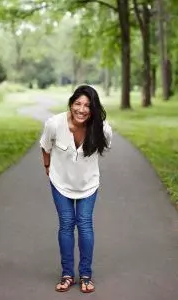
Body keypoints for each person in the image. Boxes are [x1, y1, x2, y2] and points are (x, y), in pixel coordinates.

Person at [39, 84, 112, 293]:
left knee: (85, 224)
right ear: (71, 104)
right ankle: (67, 274)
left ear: (94, 108)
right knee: (66, 224)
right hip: (60, 182)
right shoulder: (54, 124)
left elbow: (105, 146)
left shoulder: (102, 128)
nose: (82, 109)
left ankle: (86, 275)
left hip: (88, 184)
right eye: (78, 104)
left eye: (87, 105)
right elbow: (45, 146)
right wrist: (47, 167)